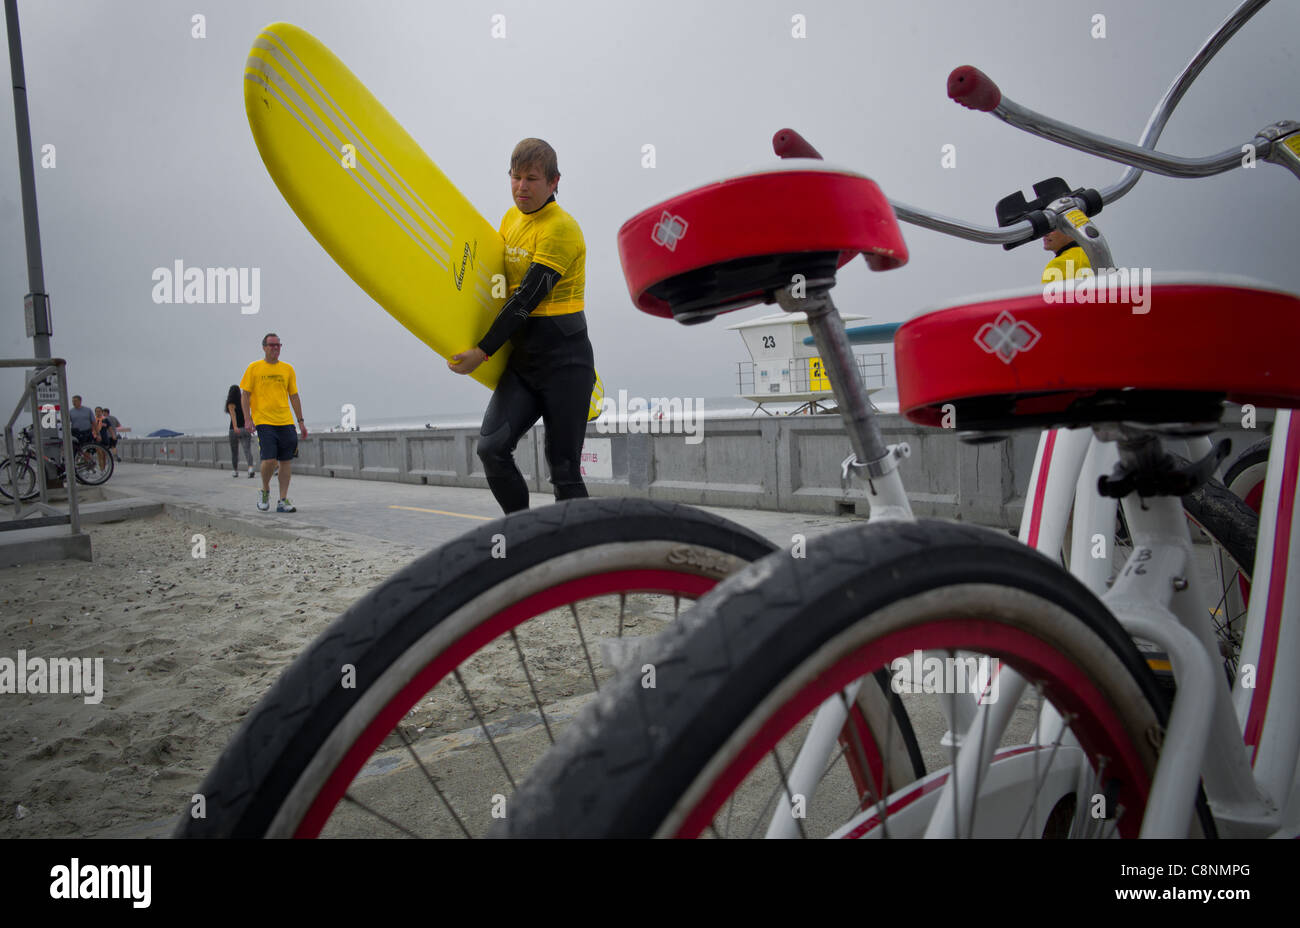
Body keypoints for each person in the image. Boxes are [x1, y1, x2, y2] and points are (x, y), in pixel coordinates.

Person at [449, 138, 595, 514]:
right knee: (491, 449)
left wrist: (481, 351)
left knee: (563, 471)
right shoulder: (510, 219)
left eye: (531, 179)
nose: (521, 187)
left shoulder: (561, 229)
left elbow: (525, 300)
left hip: (566, 363)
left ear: (554, 182)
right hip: (524, 360)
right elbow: (494, 285)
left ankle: (580, 555)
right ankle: (521, 532)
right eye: (515, 178)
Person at [239, 333, 307, 512]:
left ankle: (283, 500)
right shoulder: (254, 368)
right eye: (272, 345)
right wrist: (247, 419)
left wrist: (300, 422)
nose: (275, 348)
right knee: (269, 460)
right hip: (264, 421)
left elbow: (294, 395)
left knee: (285, 460)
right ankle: (265, 489)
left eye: (278, 345)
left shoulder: (287, 369)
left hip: (285, 421)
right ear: (264, 347)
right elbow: (245, 395)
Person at [225, 385, 255, 478]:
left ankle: (235, 471)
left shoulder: (230, 403)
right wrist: (252, 425)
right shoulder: (244, 401)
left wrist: (235, 427)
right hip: (245, 428)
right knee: (247, 450)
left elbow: (233, 415)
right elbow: (250, 413)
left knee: (234, 452)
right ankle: (250, 468)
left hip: (234, 430)